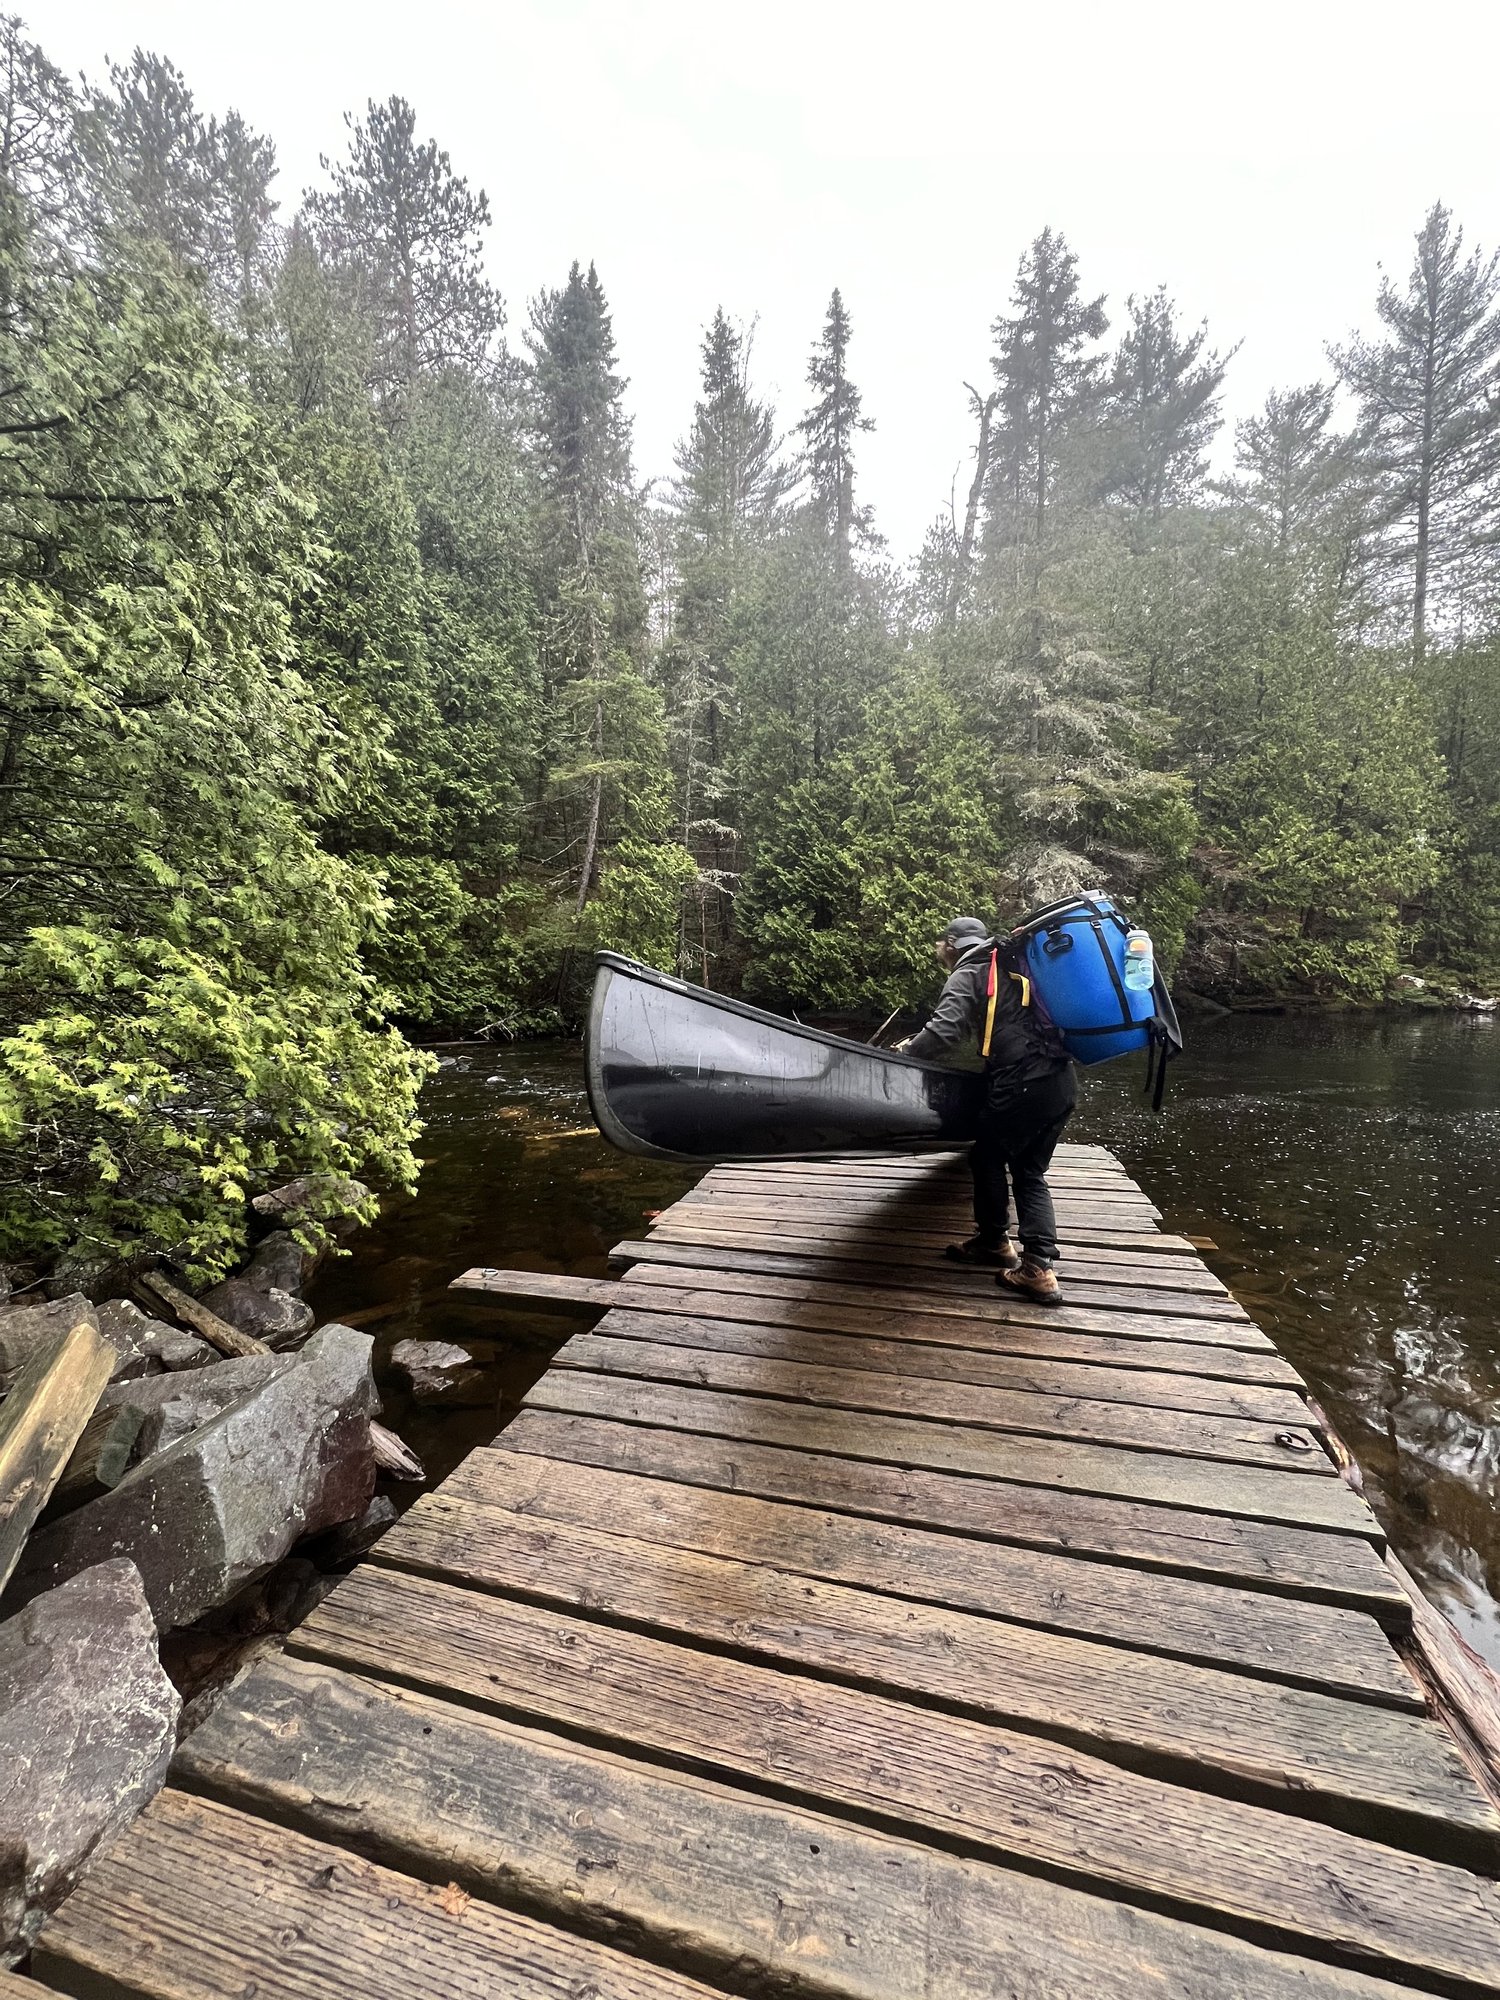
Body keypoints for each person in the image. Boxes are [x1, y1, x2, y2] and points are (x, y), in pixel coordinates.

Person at [895, 915, 1076, 1304]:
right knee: (1029, 1170)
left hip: (1023, 1082)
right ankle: (1032, 1262)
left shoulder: (970, 971)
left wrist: (904, 1057)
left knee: (988, 1157)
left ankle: (1005, 1249)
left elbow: (943, 1032)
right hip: (1061, 1083)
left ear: (950, 945)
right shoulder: (1016, 966)